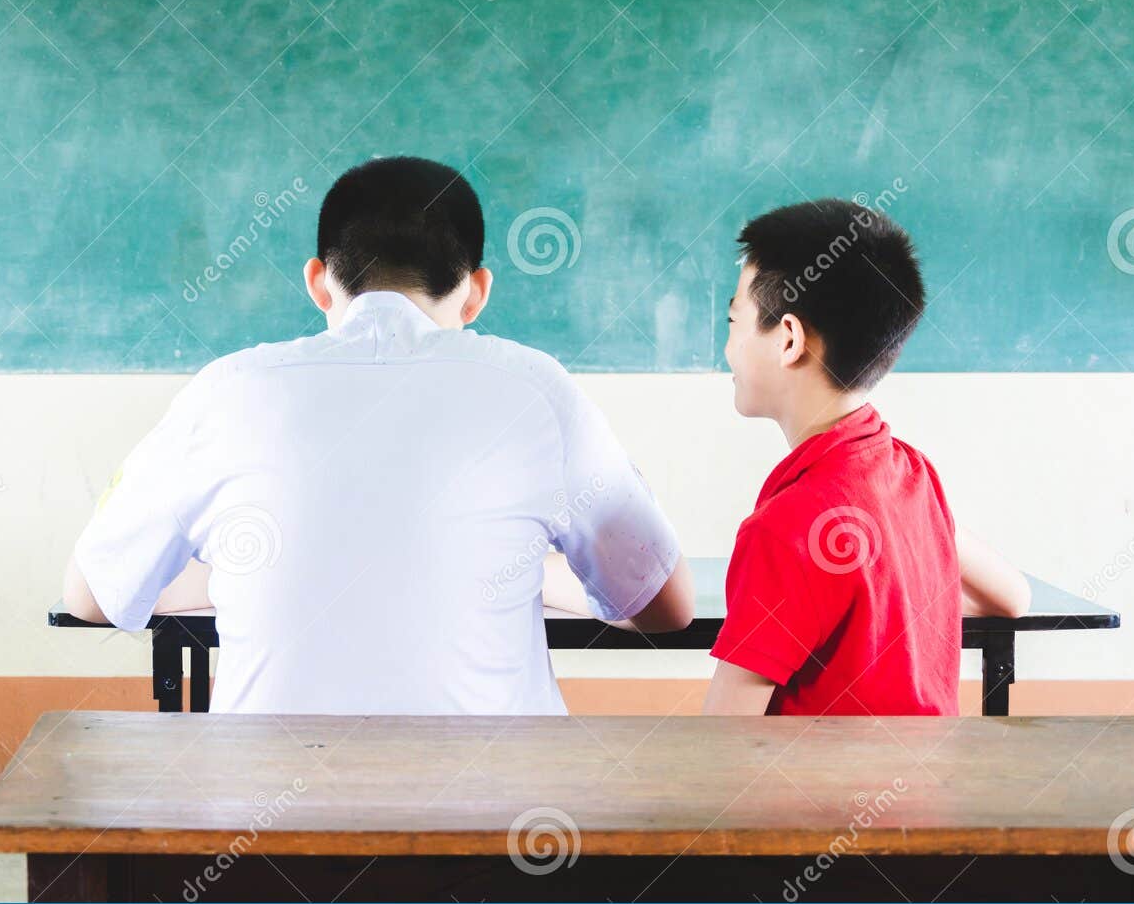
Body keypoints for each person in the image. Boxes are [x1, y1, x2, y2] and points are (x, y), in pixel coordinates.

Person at [64, 156, 693, 714]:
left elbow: (90, 596)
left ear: (317, 282)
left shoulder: (228, 389)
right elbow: (668, 608)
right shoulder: (536, 389)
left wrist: (229, 571)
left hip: (265, 832)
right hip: (499, 826)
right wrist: (542, 574)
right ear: (477, 291)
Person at [705, 199, 1029, 717]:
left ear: (788, 339)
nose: (726, 348)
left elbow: (721, 746)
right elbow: (1013, 597)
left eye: (732, 321)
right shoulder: (911, 474)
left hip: (820, 798)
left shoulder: (785, 529)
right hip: (928, 791)